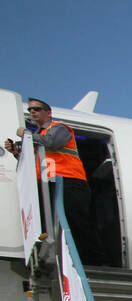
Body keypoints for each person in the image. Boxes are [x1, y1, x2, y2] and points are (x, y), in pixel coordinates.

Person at [6, 98, 107, 266]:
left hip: (70, 181)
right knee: (54, 224)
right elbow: (33, 162)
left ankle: (96, 260)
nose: (33, 112)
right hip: (49, 184)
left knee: (76, 220)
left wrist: (26, 134)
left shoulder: (58, 128)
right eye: (31, 110)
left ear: (48, 112)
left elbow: (53, 143)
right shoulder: (37, 138)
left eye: (37, 109)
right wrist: (17, 152)